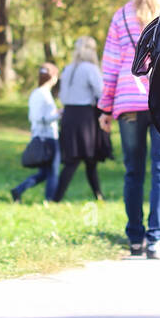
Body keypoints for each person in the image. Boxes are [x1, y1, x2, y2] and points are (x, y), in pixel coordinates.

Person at [98, 0, 160, 258]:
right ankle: (155, 239)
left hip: (127, 103)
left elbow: (111, 65)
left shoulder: (121, 16)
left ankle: (134, 238)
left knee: (133, 172)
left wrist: (105, 108)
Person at [53, 37, 110, 202]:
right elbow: (101, 93)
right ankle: (57, 198)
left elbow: (63, 95)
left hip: (69, 115)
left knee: (80, 159)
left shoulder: (68, 69)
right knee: (82, 159)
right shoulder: (90, 69)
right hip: (85, 118)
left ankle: (98, 195)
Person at [11, 62, 62, 202]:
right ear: (52, 77)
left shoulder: (36, 94)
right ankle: (50, 199)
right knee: (52, 171)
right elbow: (38, 118)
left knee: (44, 173)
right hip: (48, 137)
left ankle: (19, 190)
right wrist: (58, 115)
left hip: (41, 135)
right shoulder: (43, 94)